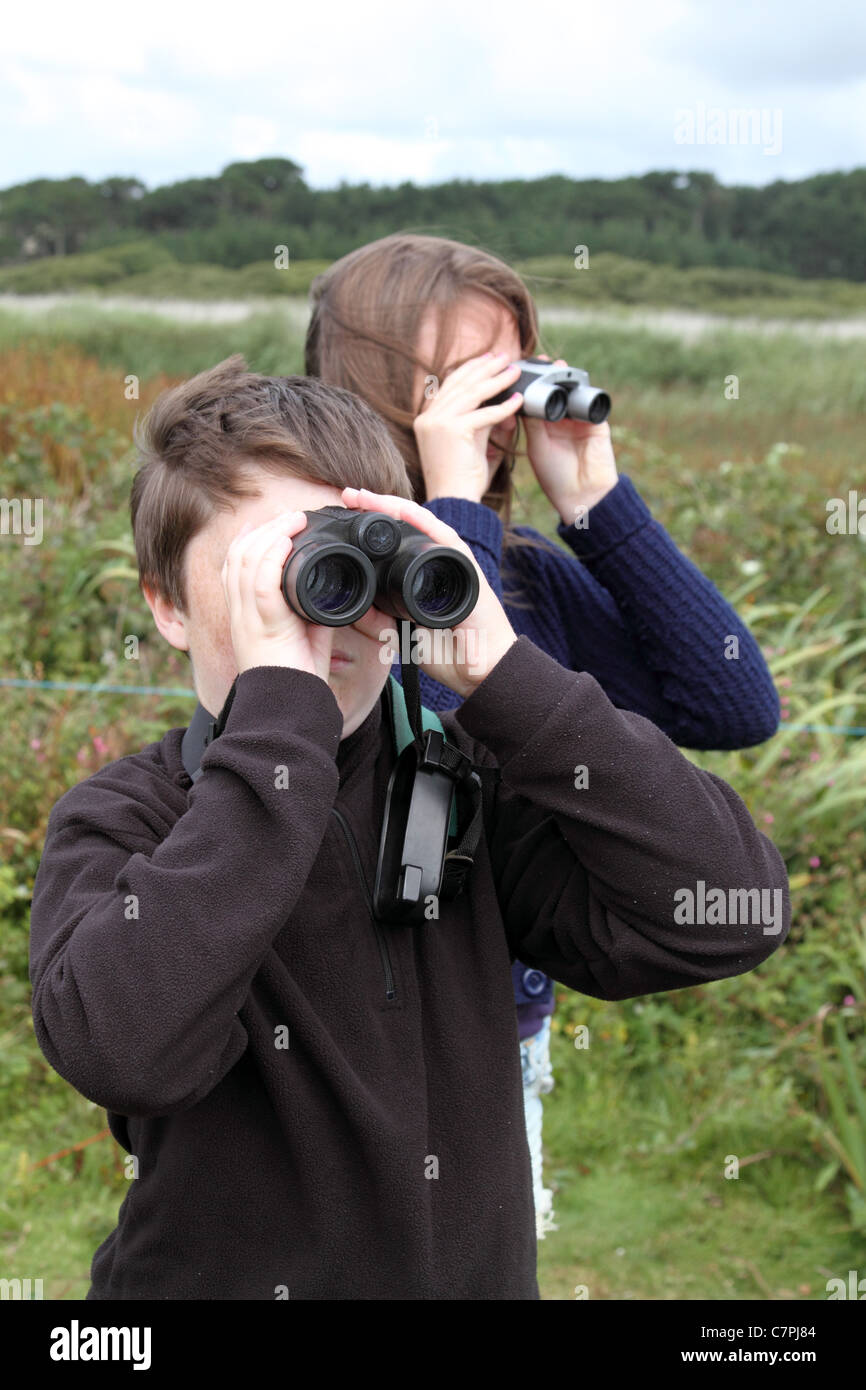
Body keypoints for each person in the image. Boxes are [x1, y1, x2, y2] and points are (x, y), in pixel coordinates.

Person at [29, 357, 790, 1300]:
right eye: (282, 570)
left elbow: (729, 914)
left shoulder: (464, 782)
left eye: (352, 565)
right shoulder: (126, 818)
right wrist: (280, 721)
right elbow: (125, 1051)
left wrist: (513, 681)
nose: (327, 615)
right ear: (168, 604)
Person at [304, 233, 781, 1236]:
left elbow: (729, 705)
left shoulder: (518, 573)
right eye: (460, 382)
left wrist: (596, 504)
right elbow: (424, 746)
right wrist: (444, 508)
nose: (496, 411)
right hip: (343, 1036)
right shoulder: (319, 575)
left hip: (497, 1032)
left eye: (510, 375)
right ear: (380, 386)